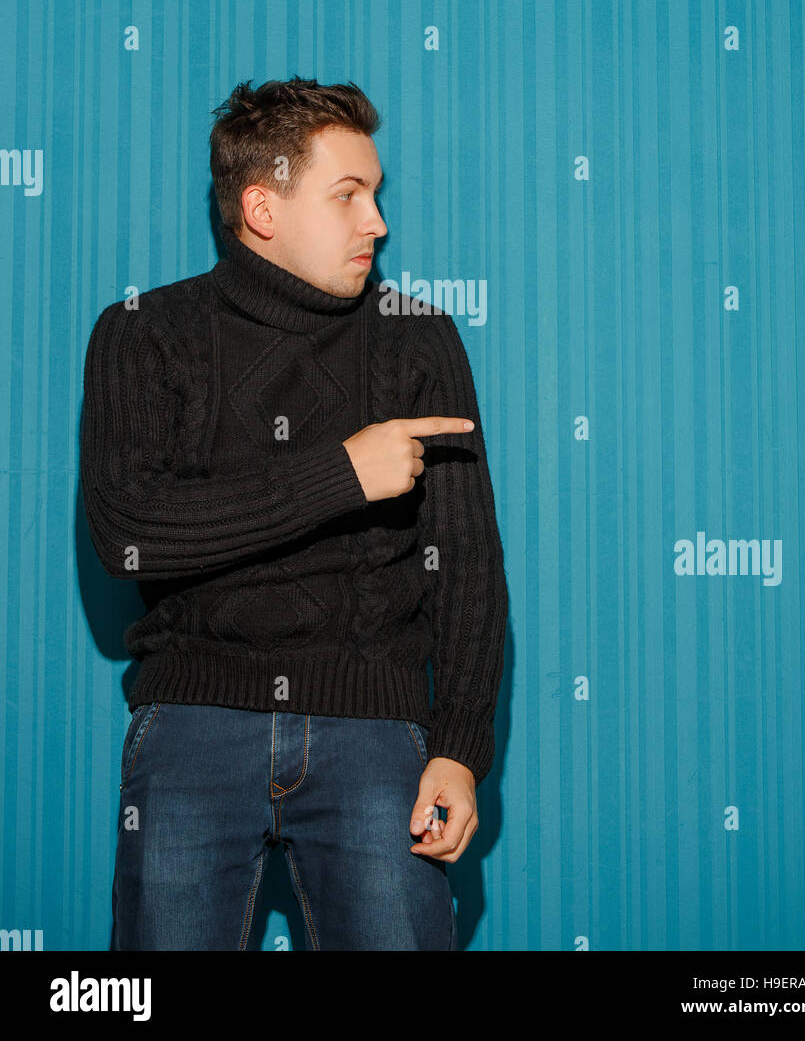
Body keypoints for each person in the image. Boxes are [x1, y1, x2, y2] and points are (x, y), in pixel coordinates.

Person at [80, 76, 509, 951]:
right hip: (192, 729)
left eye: (377, 193)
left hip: (378, 735)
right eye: (348, 194)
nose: (378, 221)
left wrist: (460, 749)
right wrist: (341, 476)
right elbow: (128, 534)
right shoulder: (143, 335)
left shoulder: (417, 340)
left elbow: (467, 563)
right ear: (263, 208)